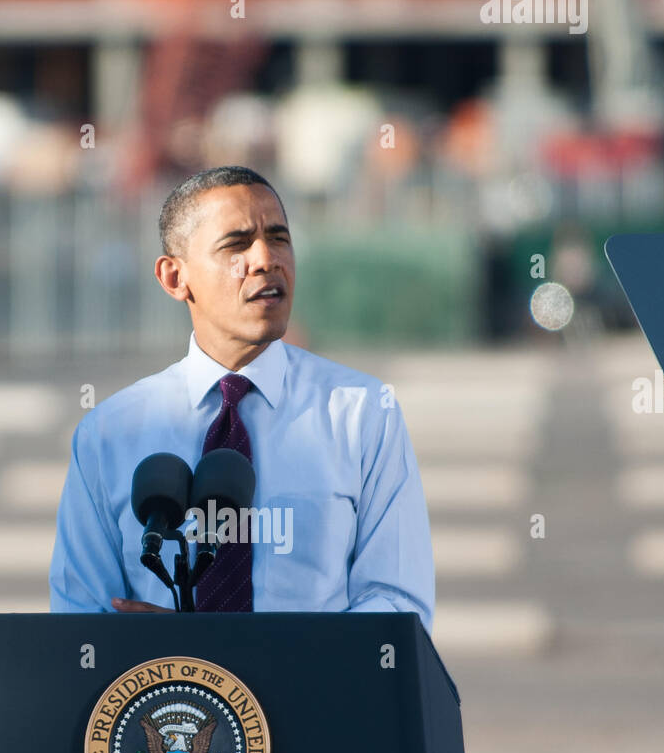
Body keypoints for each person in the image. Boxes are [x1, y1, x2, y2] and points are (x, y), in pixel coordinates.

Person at [49, 164, 434, 628]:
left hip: (320, 699)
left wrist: (259, 660)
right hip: (170, 701)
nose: (265, 259)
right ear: (175, 278)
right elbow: (80, 623)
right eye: (236, 244)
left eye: (279, 238)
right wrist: (163, 657)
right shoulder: (108, 433)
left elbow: (398, 607)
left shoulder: (363, 413)